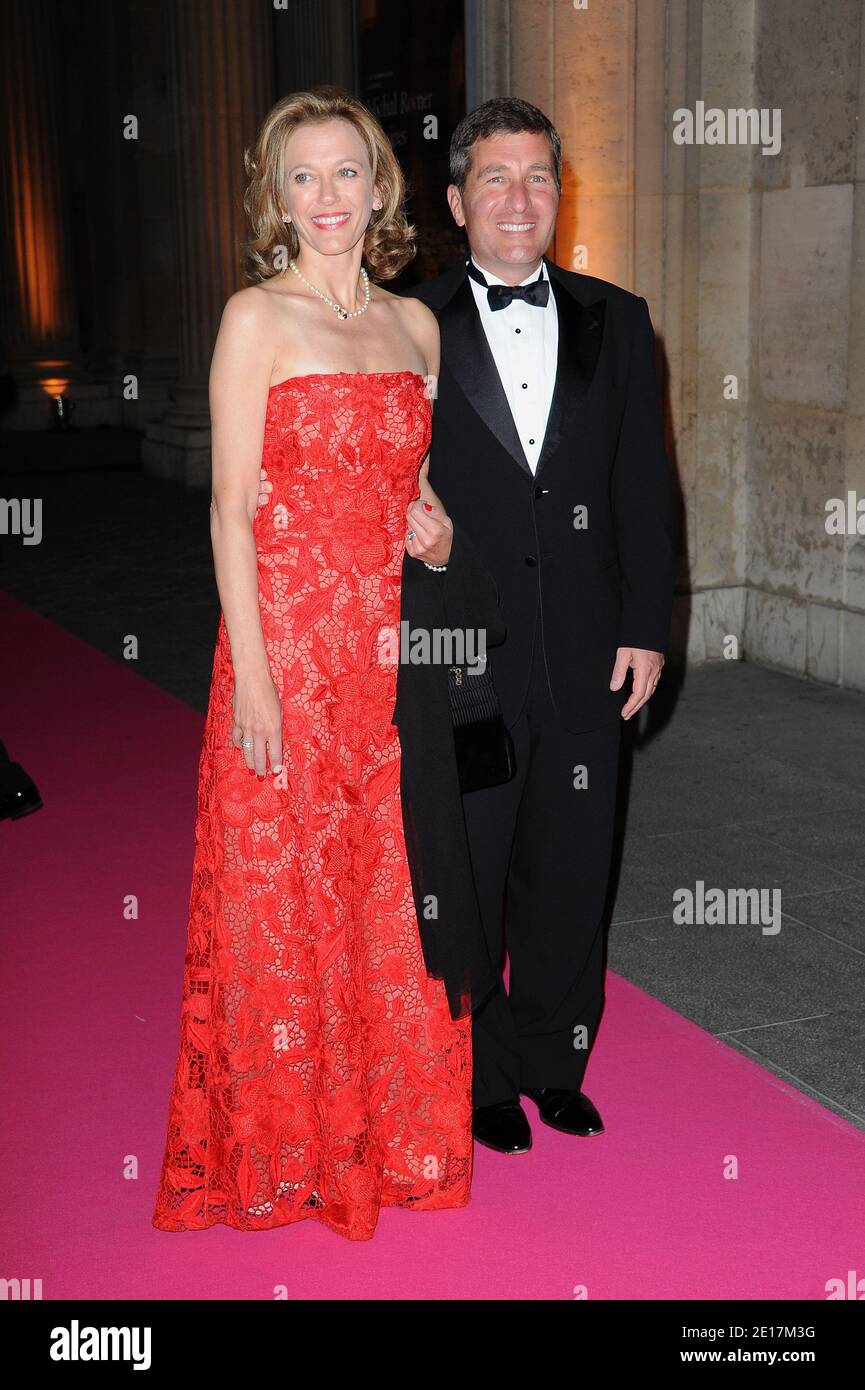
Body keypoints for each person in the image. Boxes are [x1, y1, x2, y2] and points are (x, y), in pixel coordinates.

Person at [257, 96, 676, 1158]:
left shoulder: (616, 320)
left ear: (557, 193)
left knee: (575, 869)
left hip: (587, 649)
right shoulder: (406, 322)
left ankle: (554, 1060)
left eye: (537, 176)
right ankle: (483, 1075)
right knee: (469, 872)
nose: (517, 199)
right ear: (454, 198)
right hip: (460, 657)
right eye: (494, 177)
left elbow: (644, 485)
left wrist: (647, 621)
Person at [152, 86, 487, 1241]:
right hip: (288, 647)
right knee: (278, 896)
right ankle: (288, 1149)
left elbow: (411, 480)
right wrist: (252, 675)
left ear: (381, 186)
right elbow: (230, 513)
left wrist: (433, 522)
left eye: (348, 172)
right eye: (305, 176)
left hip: (390, 660)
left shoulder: (416, 326)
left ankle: (388, 1133)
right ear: (276, 195)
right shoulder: (257, 318)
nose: (329, 195)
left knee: (390, 890)